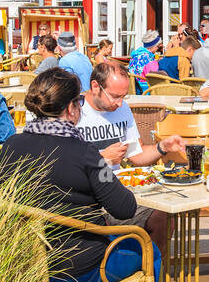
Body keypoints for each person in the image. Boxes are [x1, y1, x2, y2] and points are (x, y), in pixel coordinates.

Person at [0, 68, 160, 282]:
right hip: (77, 270)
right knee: (145, 249)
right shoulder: (85, 152)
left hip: (26, 267)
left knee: (111, 249)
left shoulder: (12, 146)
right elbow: (125, 208)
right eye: (79, 103)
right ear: (71, 108)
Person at [75, 63, 184, 247]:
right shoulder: (75, 111)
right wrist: (102, 158)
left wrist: (162, 147)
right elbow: (66, 164)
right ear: (95, 87)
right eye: (115, 96)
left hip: (118, 194)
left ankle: (152, 271)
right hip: (87, 199)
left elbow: (136, 156)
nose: (119, 103)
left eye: (123, 96)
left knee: (164, 217)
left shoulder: (122, 108)